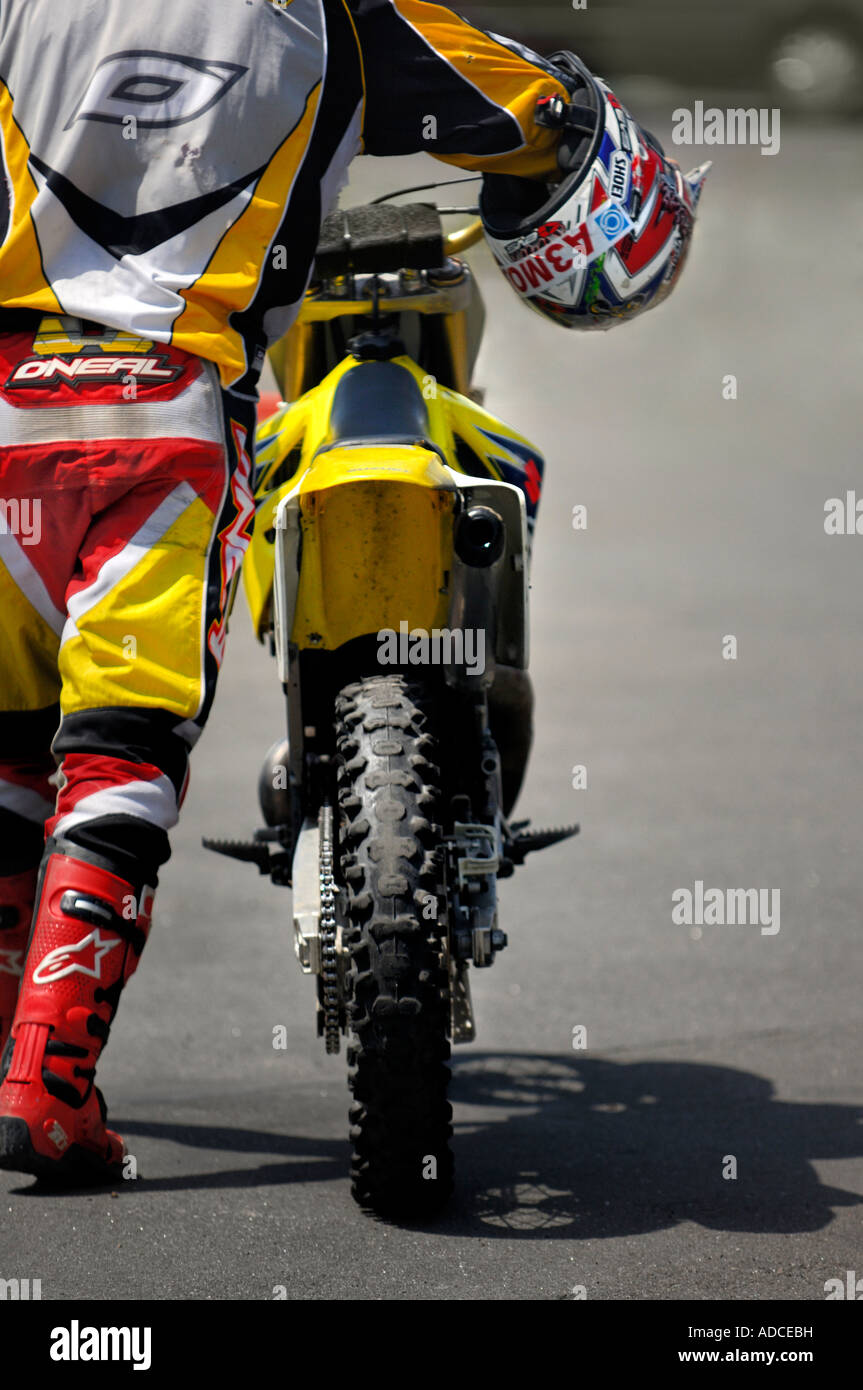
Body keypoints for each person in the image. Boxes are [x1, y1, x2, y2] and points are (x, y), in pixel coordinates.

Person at [0, 0, 705, 1183]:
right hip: (165, 412)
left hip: (13, 406)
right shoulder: (327, 16)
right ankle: (48, 1088)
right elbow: (539, 114)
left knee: (15, 760)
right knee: (120, 750)